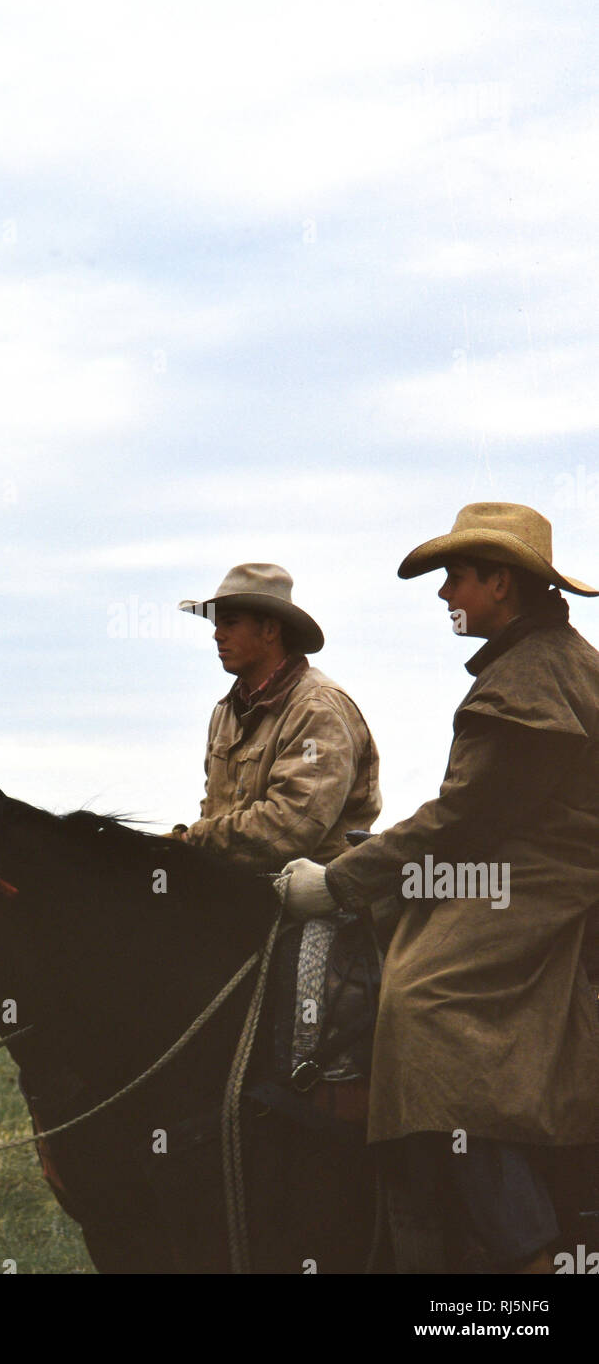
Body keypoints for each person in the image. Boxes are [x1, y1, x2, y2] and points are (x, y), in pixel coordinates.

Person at [279, 503, 599, 1273]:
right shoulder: (551, 660)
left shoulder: (527, 682)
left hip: (539, 880)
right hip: (520, 863)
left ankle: (527, 1251)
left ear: (501, 581)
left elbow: (463, 817)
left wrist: (342, 882)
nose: (444, 593)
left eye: (457, 576)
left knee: (425, 1005)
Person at [172, 562, 380, 872]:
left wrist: (192, 840)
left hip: (320, 898)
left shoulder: (317, 709)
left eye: (229, 623)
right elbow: (214, 810)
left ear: (270, 629)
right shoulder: (225, 713)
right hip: (241, 891)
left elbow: (292, 828)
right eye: (216, 625)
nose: (217, 635)